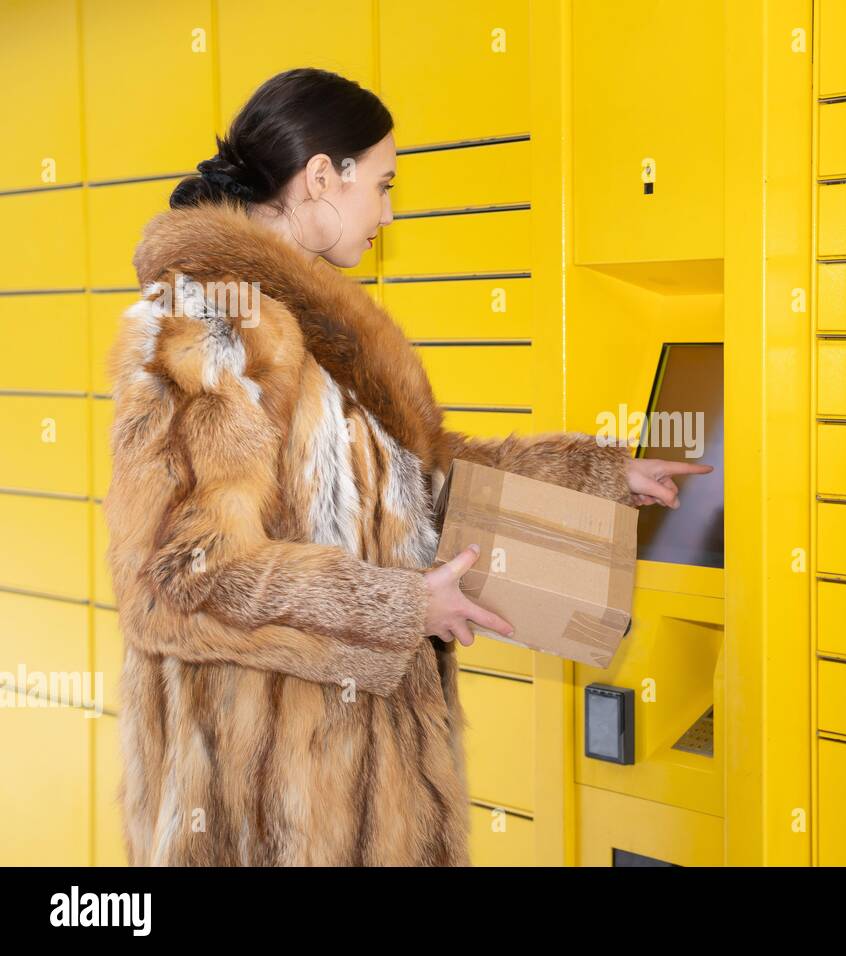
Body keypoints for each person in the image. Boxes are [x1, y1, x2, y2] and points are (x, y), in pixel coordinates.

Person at [105, 67, 711, 865]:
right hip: (268, 807)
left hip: (371, 783)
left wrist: (597, 475)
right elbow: (174, 581)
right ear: (323, 175)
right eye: (383, 184)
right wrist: (397, 607)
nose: (388, 213)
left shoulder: (314, 328)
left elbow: (414, 480)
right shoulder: (208, 327)